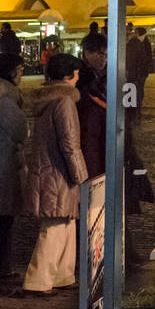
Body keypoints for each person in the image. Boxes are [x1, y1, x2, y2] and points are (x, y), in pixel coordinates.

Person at [21, 53, 87, 295]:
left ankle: (62, 274)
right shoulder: (65, 102)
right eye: (77, 73)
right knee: (55, 226)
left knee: (66, 222)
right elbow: (70, 143)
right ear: (69, 75)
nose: (79, 77)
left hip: (48, 170)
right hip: (57, 172)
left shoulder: (50, 100)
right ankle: (38, 280)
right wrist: (81, 175)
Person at [0, 54, 27, 282]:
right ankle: (4, 270)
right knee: (4, 222)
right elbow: (20, 131)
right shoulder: (7, 97)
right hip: (4, 165)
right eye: (20, 69)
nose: (22, 74)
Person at [77, 34, 108, 179]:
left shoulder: (104, 77)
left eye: (106, 54)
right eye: (100, 54)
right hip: (89, 142)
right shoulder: (81, 80)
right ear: (87, 53)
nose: (104, 58)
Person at [125, 25, 149, 121]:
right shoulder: (137, 43)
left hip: (133, 75)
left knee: (132, 96)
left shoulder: (133, 43)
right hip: (135, 74)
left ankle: (132, 115)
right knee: (135, 95)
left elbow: (133, 60)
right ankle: (135, 114)